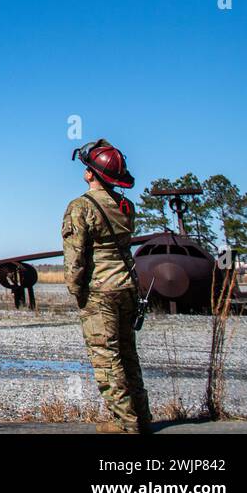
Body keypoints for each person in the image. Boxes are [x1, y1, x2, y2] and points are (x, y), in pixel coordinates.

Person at [64, 138, 153, 434]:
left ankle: (126, 423)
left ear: (91, 173)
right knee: (128, 355)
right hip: (128, 286)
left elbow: (75, 257)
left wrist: (77, 290)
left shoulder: (81, 207)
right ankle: (141, 414)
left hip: (100, 291)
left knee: (106, 356)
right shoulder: (126, 206)